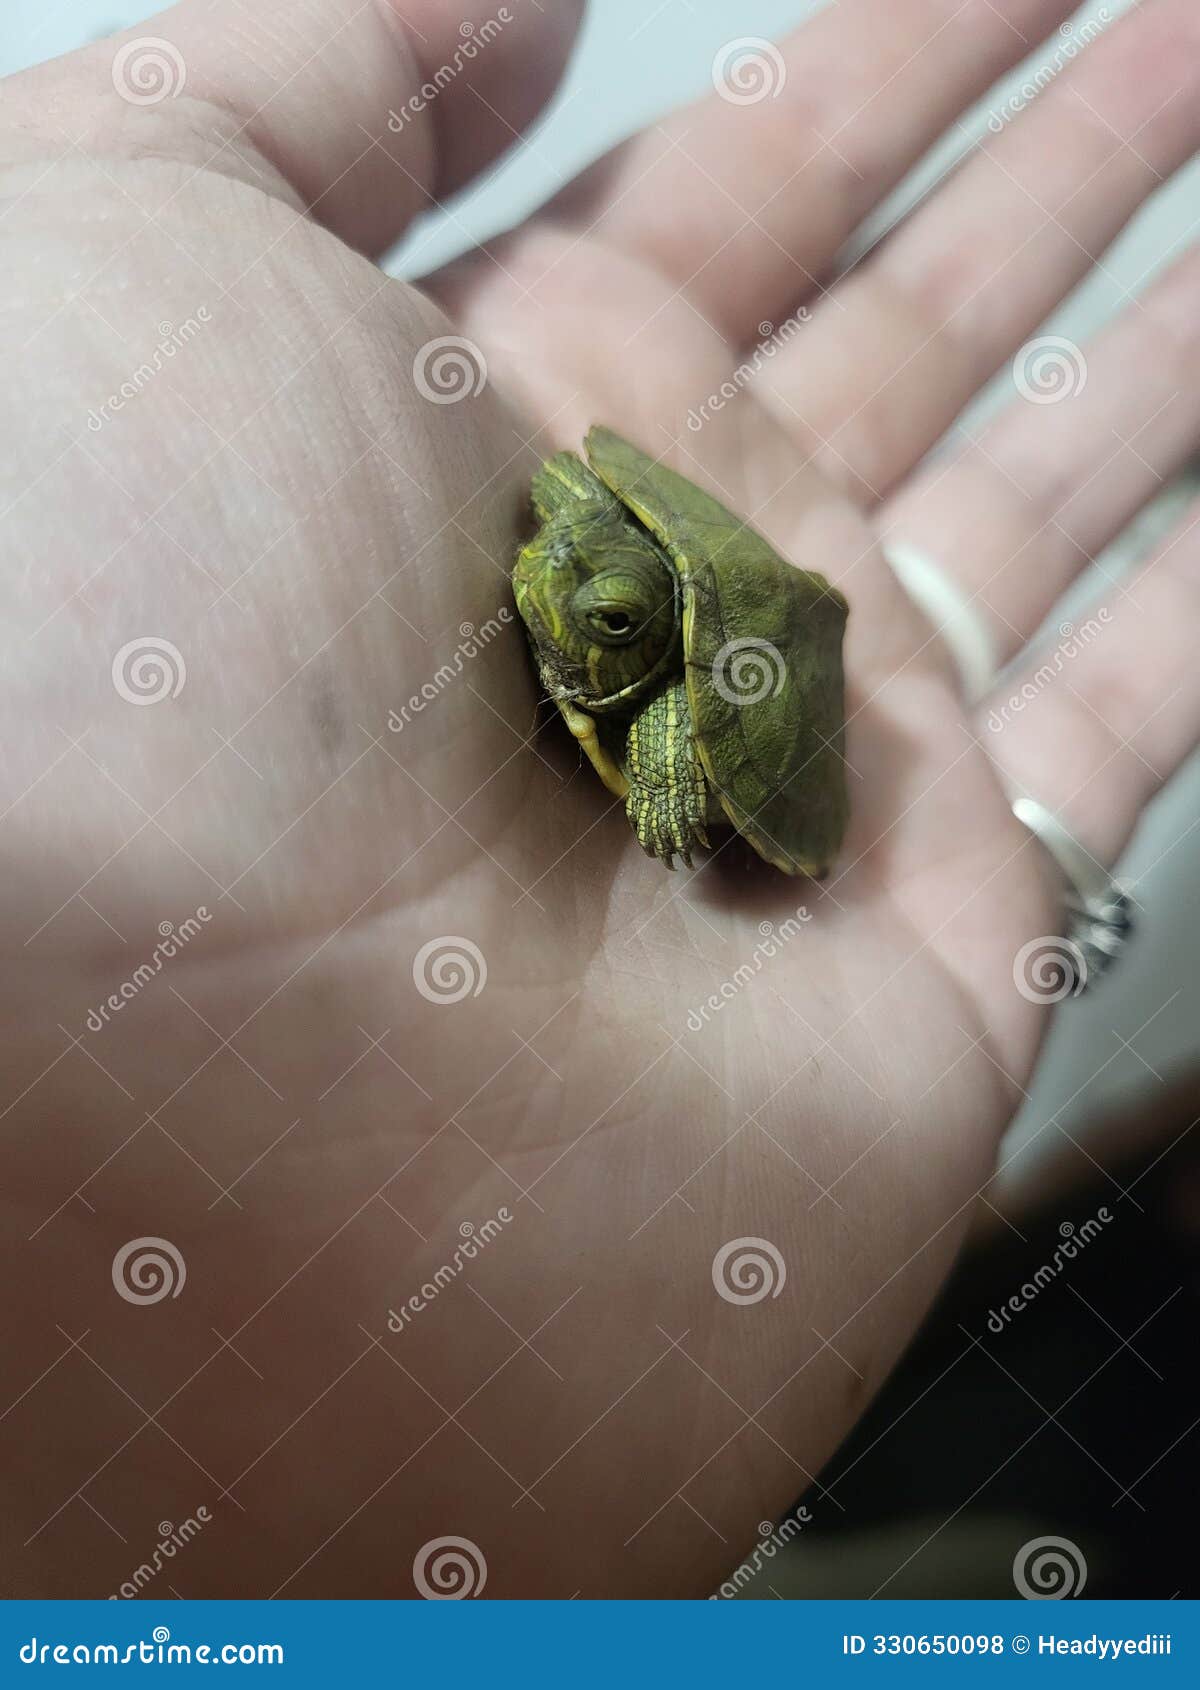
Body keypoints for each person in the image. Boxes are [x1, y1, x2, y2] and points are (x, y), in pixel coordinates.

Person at [2, 0, 1197, 1600]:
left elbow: (683, 798)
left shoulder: (678, 715)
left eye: (609, 626)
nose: (558, 596)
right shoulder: (582, 540)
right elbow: (584, 523)